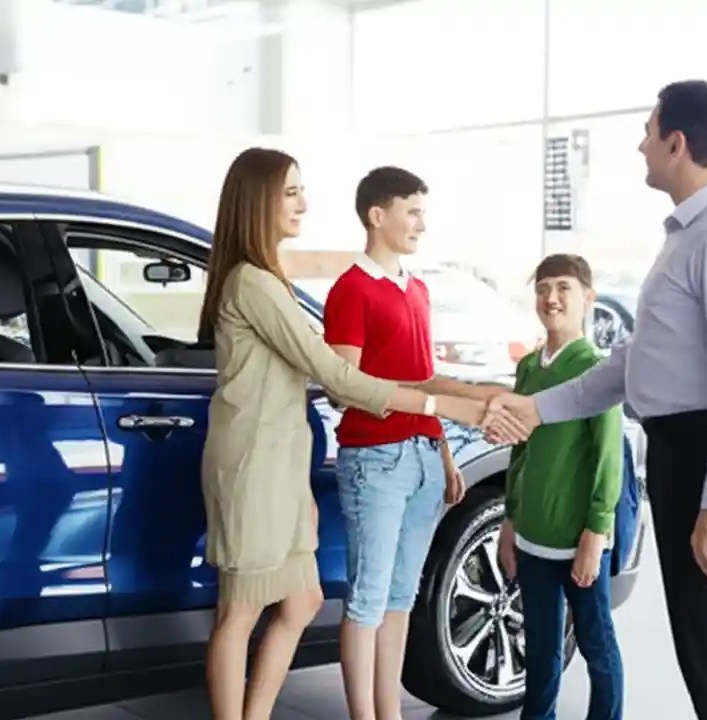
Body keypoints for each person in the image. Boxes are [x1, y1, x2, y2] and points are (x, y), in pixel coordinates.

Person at [491, 80, 707, 720]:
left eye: (648, 132)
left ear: (677, 143)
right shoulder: (690, 235)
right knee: (704, 654)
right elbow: (636, 363)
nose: (641, 145)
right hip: (686, 452)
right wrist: (536, 409)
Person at [197, 147, 525, 720]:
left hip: (284, 465)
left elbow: (390, 371)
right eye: (291, 192)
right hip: (256, 465)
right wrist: (445, 405)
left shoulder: (271, 281)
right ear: (258, 200)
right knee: (240, 611)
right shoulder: (253, 283)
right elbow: (339, 378)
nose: (303, 203)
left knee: (303, 599)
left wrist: (470, 399)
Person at [323, 166, 510, 720]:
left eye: (423, 213)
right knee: (368, 598)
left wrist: (447, 449)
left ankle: (390, 712)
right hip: (375, 461)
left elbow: (423, 378)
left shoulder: (417, 290)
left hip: (424, 459)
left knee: (401, 597)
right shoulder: (350, 290)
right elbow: (345, 387)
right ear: (377, 215)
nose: (421, 224)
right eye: (413, 212)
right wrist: (440, 411)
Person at [497, 254, 624, 720]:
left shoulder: (595, 369)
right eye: (543, 288)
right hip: (532, 538)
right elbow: (520, 448)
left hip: (578, 541)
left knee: (596, 646)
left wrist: (596, 532)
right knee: (540, 648)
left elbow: (608, 459)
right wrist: (510, 518)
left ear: (588, 297)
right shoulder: (530, 368)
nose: (551, 298)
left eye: (563, 288)